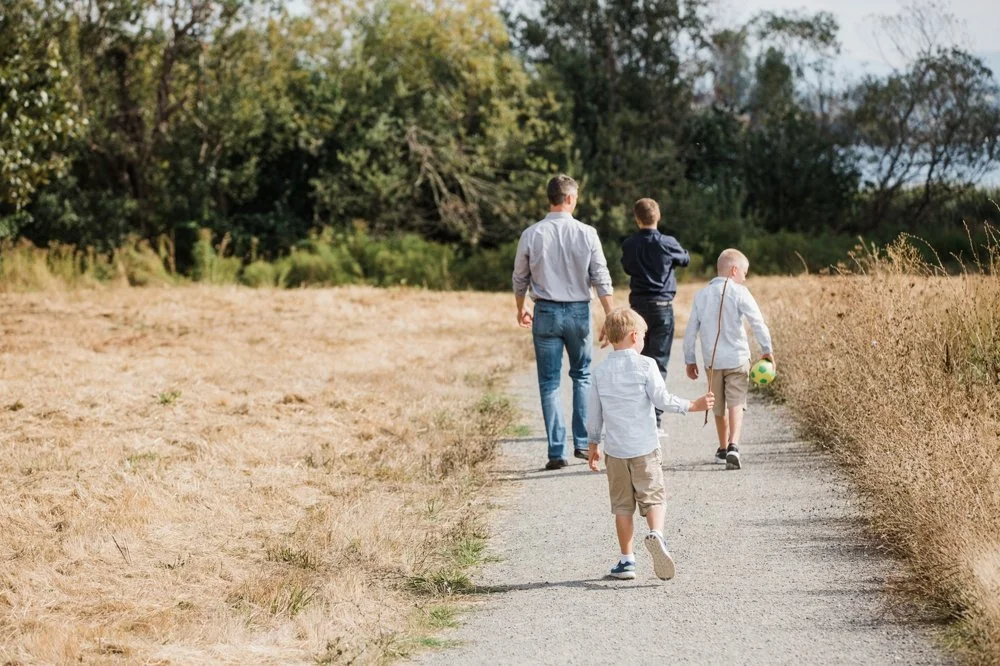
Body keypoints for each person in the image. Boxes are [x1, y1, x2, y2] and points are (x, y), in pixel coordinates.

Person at [586, 308, 714, 580]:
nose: (644, 340)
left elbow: (594, 412)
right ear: (635, 336)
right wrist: (693, 404)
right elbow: (662, 399)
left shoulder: (600, 371)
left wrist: (593, 443)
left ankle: (627, 560)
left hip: (615, 452)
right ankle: (656, 534)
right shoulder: (646, 365)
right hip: (644, 447)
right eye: (643, 336)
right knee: (654, 497)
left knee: (622, 507)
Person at [513, 175, 614, 470]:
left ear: (550, 198)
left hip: (545, 312)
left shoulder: (531, 234)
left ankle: (556, 451)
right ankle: (582, 443)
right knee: (581, 376)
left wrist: (521, 307)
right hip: (579, 313)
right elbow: (601, 277)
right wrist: (609, 316)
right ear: (570, 198)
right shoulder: (587, 233)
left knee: (549, 383)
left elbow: (520, 278)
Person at [682, 248, 774, 470]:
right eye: (745, 272)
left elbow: (690, 329)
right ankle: (734, 445)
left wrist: (689, 358)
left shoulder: (701, 295)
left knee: (717, 404)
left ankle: (722, 449)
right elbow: (757, 322)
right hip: (737, 358)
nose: (745, 277)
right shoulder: (740, 292)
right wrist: (767, 349)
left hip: (712, 362)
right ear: (734, 271)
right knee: (736, 402)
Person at [620, 198, 690, 431]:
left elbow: (627, 268)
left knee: (635, 361)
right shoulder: (667, 243)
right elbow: (685, 260)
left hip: (637, 307)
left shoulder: (629, 244)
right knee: (658, 363)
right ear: (657, 216)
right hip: (662, 306)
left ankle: (636, 416)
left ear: (636, 218)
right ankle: (655, 420)